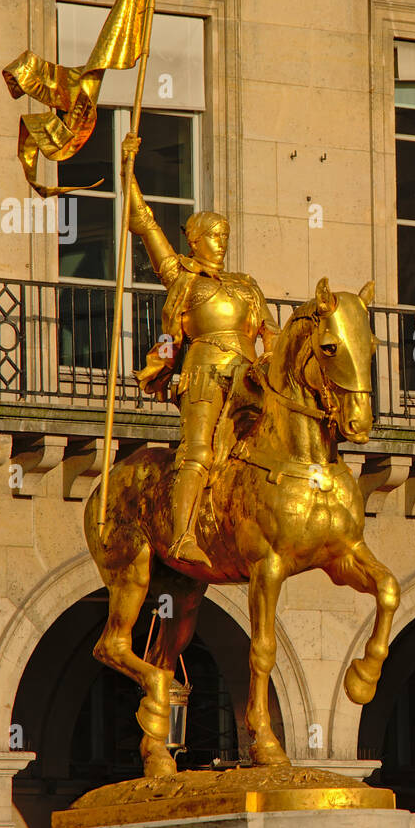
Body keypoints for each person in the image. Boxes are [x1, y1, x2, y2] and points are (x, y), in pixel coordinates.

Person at [121, 131, 278, 570]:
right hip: (205, 371)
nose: (221, 242)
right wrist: (128, 171)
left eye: (224, 235)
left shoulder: (245, 284)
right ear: (195, 240)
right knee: (198, 451)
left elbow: (272, 332)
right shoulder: (183, 277)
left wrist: (271, 357)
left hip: (249, 375)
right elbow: (144, 224)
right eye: (213, 235)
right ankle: (184, 533)